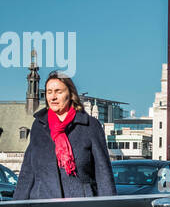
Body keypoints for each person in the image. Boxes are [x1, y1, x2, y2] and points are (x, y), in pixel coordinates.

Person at [13, 71, 116, 199]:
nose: (53, 97)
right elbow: (27, 172)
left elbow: (103, 173)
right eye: (49, 92)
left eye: (58, 91)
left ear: (71, 94)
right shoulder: (38, 125)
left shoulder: (90, 126)